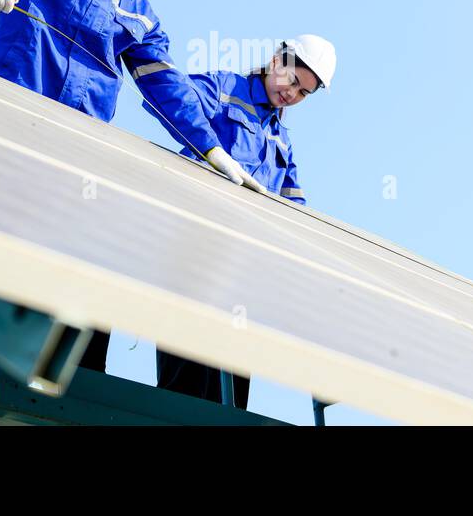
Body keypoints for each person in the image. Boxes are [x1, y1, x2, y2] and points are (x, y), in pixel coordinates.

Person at [0, 0, 263, 374]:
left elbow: (166, 88)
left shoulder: (141, 17)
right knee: (11, 286)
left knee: (86, 279)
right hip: (8, 145)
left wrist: (213, 151)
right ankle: (5, 379)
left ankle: (78, 388)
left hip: (77, 164)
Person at [142, 35, 337, 408]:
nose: (292, 95)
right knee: (184, 395)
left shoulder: (281, 142)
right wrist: (211, 153)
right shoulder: (222, 88)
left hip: (242, 286)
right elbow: (171, 101)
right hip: (191, 263)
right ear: (278, 60)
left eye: (304, 94)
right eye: (293, 81)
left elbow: (297, 217)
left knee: (231, 404)